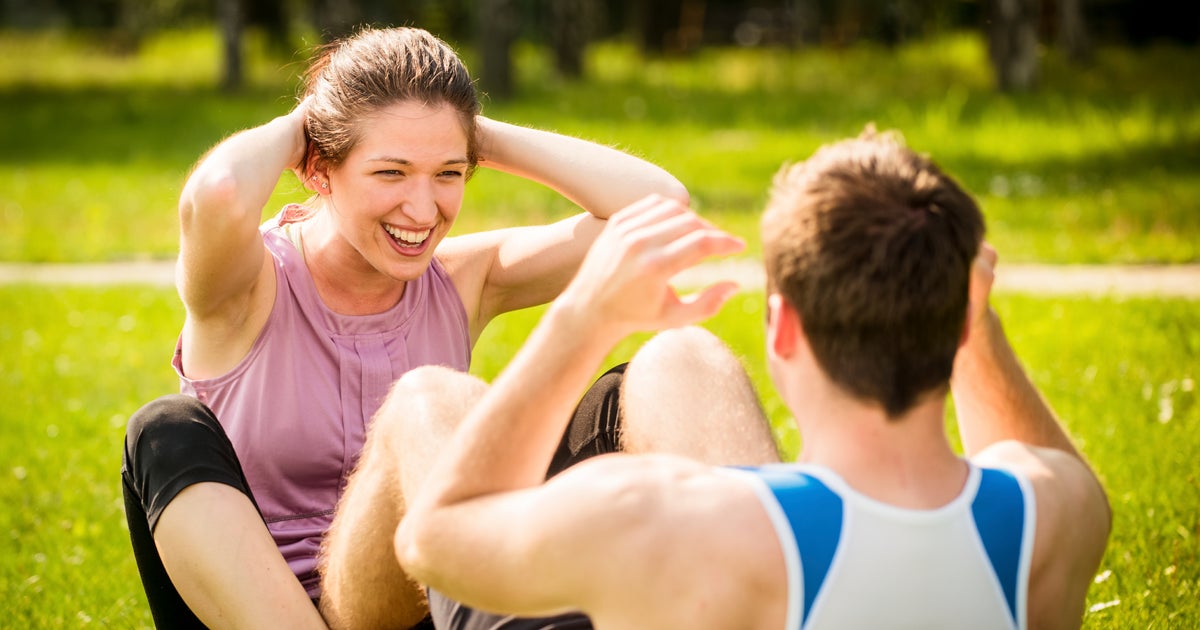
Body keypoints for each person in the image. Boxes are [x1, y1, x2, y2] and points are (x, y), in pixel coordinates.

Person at [393, 129, 1112, 629]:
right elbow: (1035, 457)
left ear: (783, 327)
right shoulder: (1052, 518)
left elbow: (433, 538)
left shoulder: (673, 519)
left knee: (428, 406)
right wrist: (974, 322)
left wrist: (584, 318)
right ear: (963, 317)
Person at [120, 25, 691, 629]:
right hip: (265, 613)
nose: (423, 210)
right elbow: (219, 192)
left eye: (448, 174)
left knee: (660, 377)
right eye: (391, 173)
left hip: (408, 599)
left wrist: (466, 132)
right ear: (318, 169)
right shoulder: (245, 288)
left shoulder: (465, 278)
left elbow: (659, 210)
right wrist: (305, 125)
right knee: (163, 428)